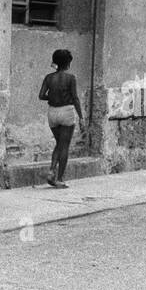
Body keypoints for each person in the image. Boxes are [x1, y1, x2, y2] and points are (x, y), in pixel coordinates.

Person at [39, 48, 86, 188]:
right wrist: (81, 117)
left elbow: (41, 95)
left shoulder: (49, 78)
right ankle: (59, 178)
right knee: (64, 146)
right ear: (67, 63)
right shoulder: (71, 78)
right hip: (66, 112)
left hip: (52, 113)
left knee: (59, 144)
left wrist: (52, 96)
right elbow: (75, 98)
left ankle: (51, 171)